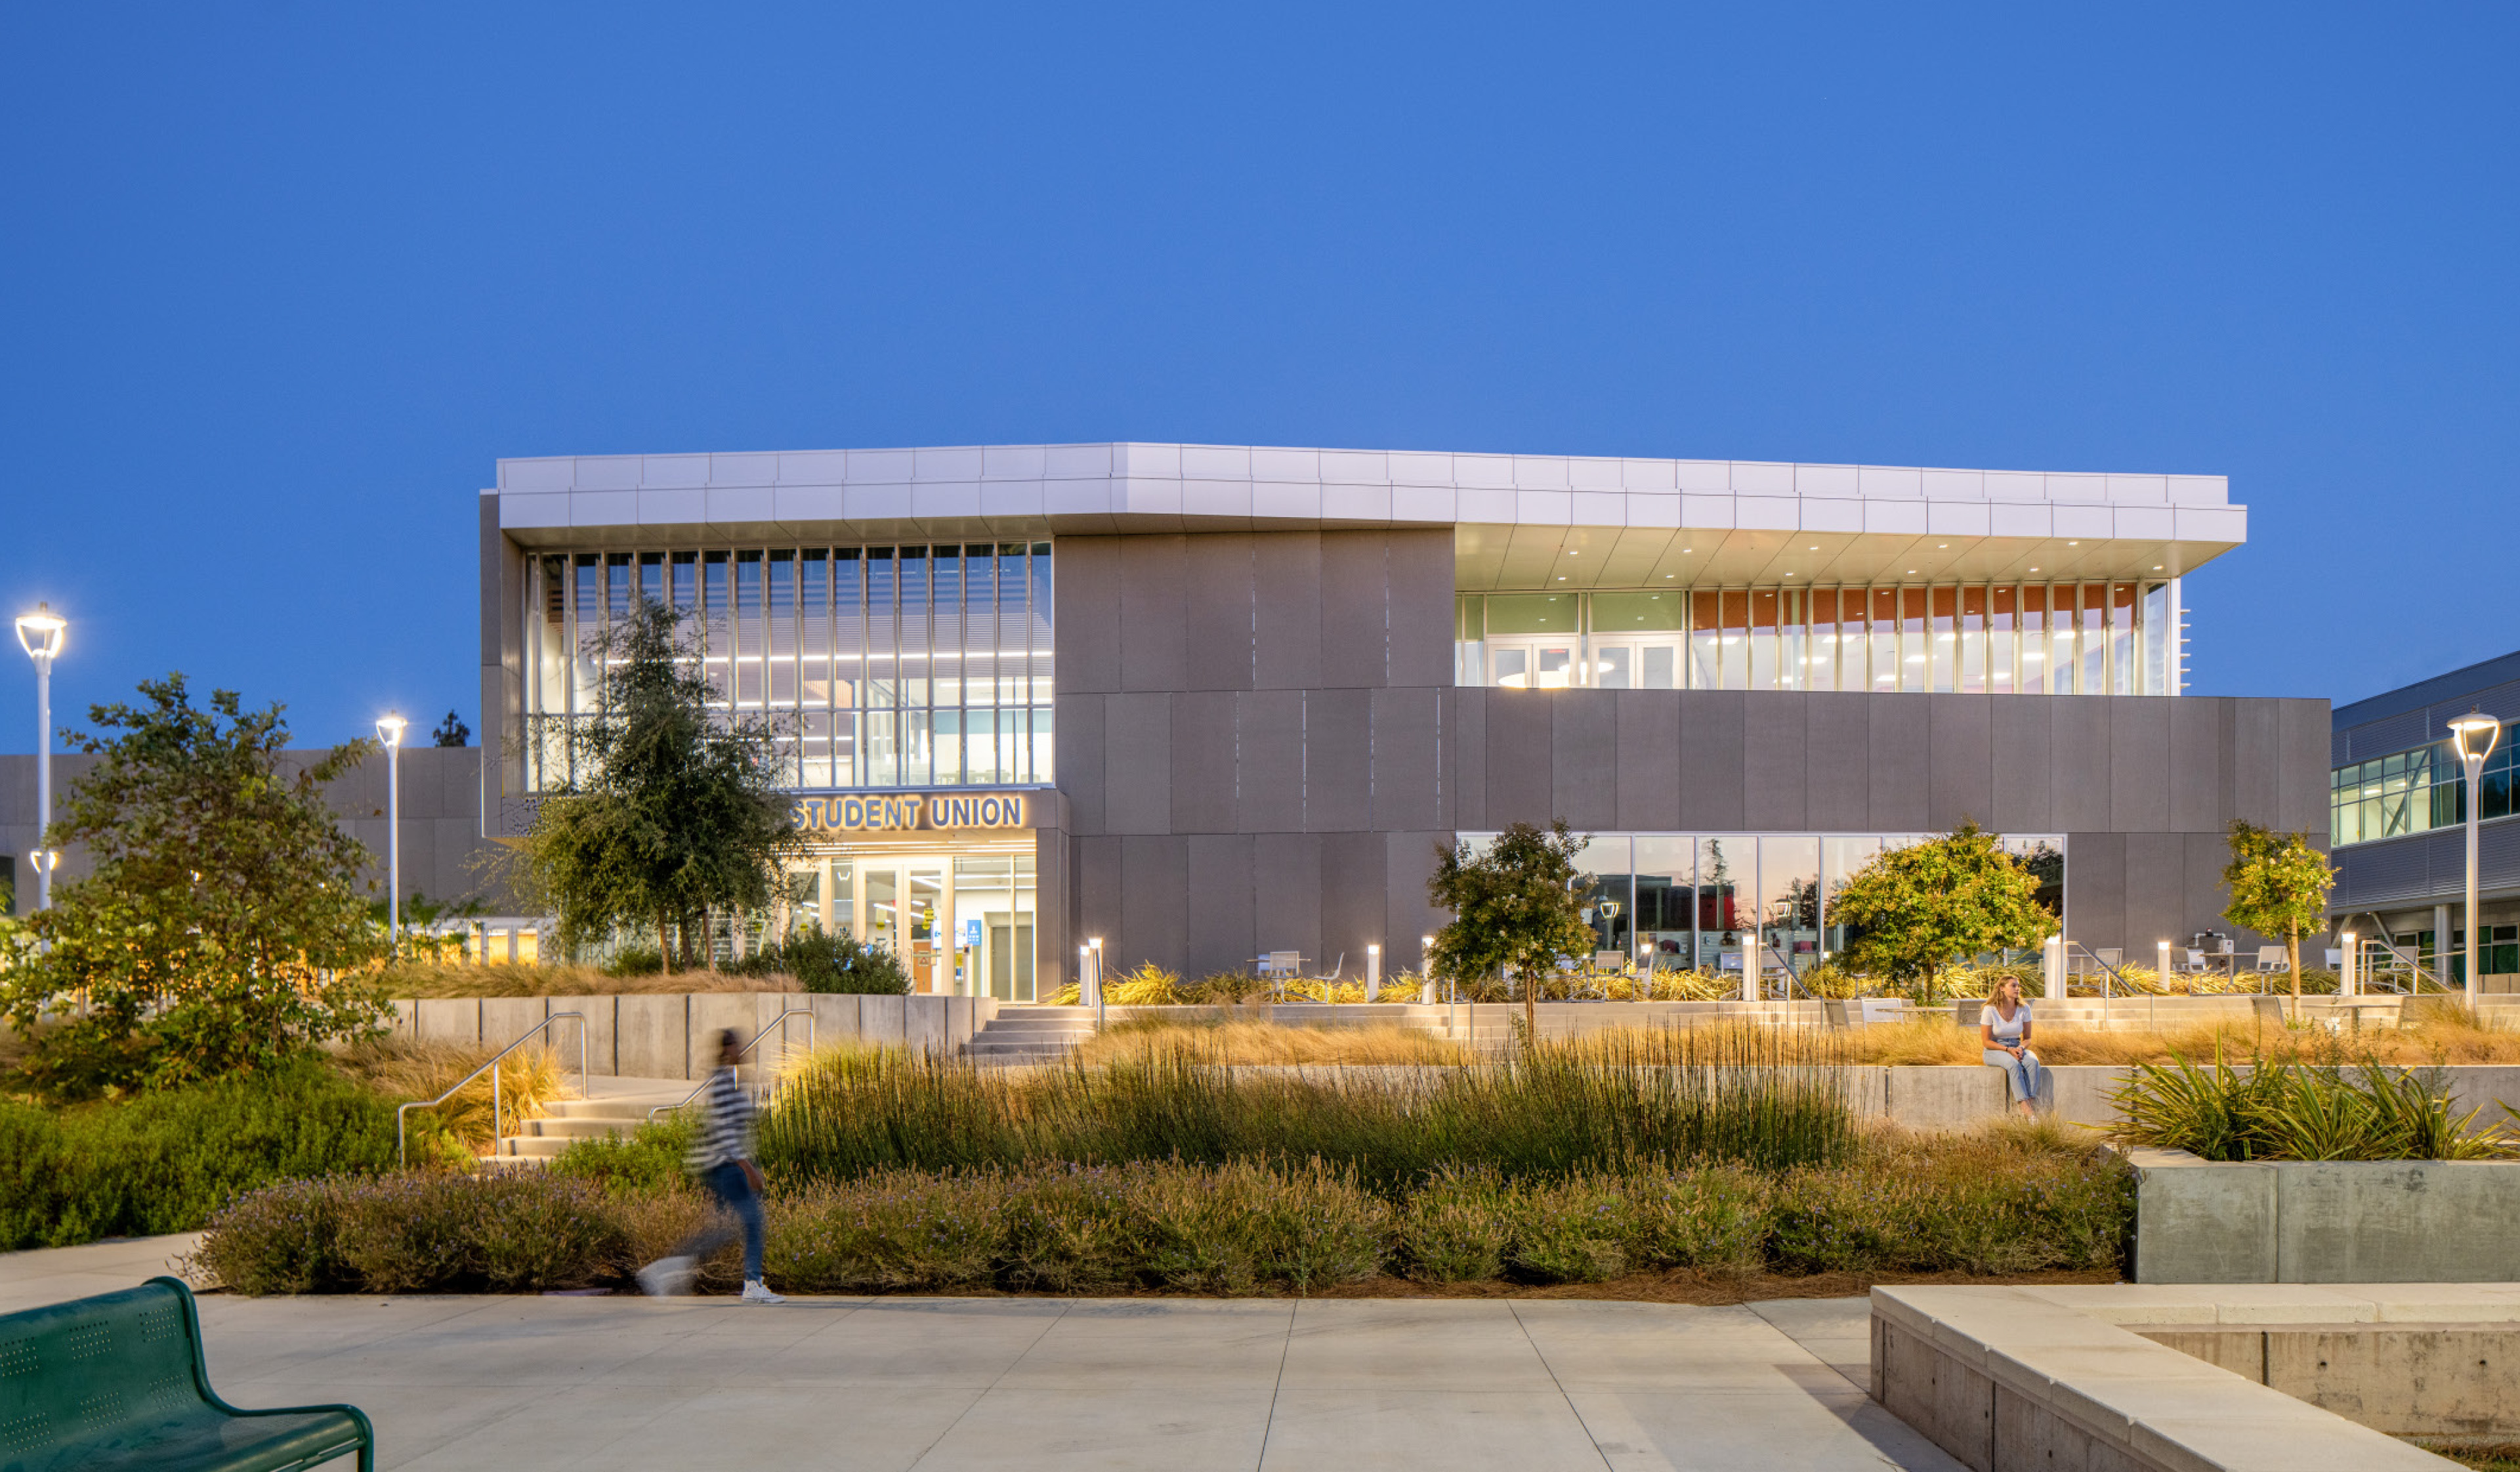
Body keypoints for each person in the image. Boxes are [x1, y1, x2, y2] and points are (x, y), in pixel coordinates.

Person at [637, 1028, 784, 1303]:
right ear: (727, 1048)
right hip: (726, 1166)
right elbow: (724, 1128)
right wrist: (746, 1166)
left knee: (724, 1230)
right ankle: (752, 1284)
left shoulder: (729, 1080)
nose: (742, 1051)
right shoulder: (722, 1082)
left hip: (724, 1164)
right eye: (737, 1046)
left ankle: (665, 1268)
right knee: (753, 1221)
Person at [1979, 977, 2044, 1117]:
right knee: (2013, 1064)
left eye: (2018, 986)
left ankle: (2030, 1102)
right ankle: (2025, 1107)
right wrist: (2008, 1050)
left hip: (2017, 1046)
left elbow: (2027, 1038)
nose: (2017, 989)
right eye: (2013, 986)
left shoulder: (2024, 1008)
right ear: (2002, 988)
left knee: (2033, 1062)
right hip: (1995, 1049)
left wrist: (2020, 1048)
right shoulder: (1990, 1009)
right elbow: (1986, 1042)